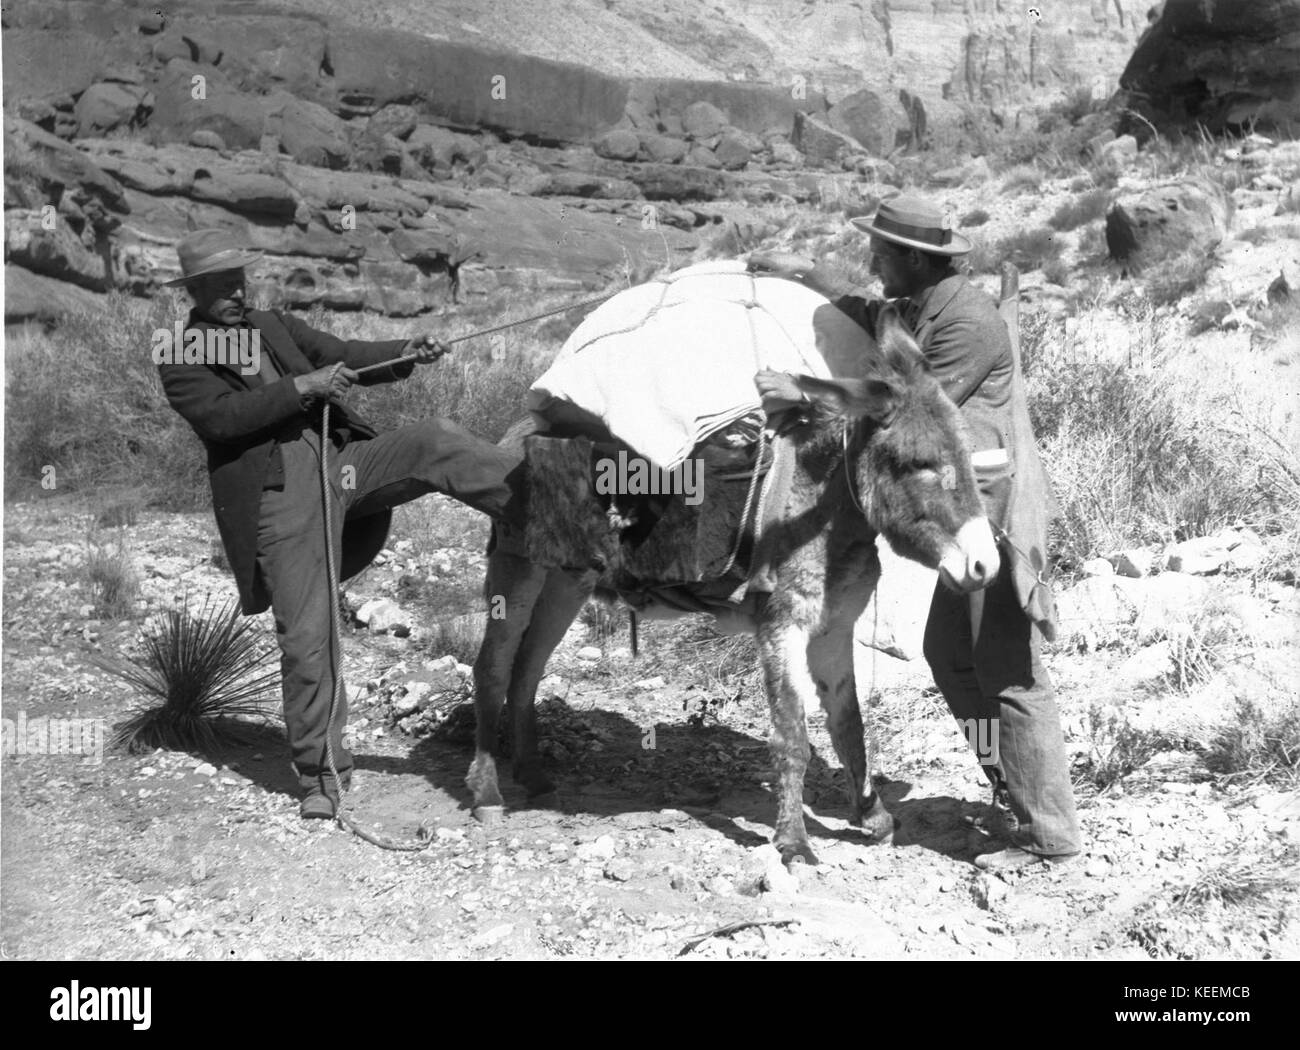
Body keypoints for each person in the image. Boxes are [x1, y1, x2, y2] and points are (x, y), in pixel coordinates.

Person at [748, 196, 1082, 871]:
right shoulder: (917, 308)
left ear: (912, 259)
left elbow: (906, 407)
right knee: (949, 653)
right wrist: (803, 269)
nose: (873, 264)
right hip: (958, 513)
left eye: (881, 253)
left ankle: (1051, 836)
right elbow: (871, 314)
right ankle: (1013, 793)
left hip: (986, 515)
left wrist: (805, 391)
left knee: (1007, 668)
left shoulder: (968, 324)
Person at [157, 229, 525, 820]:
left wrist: (408, 347)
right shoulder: (180, 351)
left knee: (436, 441)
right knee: (309, 633)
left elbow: (346, 353)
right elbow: (222, 419)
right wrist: (301, 387)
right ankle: (321, 774)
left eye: (237, 281)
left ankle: (552, 508)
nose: (233, 292)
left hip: (341, 462)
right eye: (218, 286)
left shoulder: (273, 324)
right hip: (280, 491)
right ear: (193, 290)